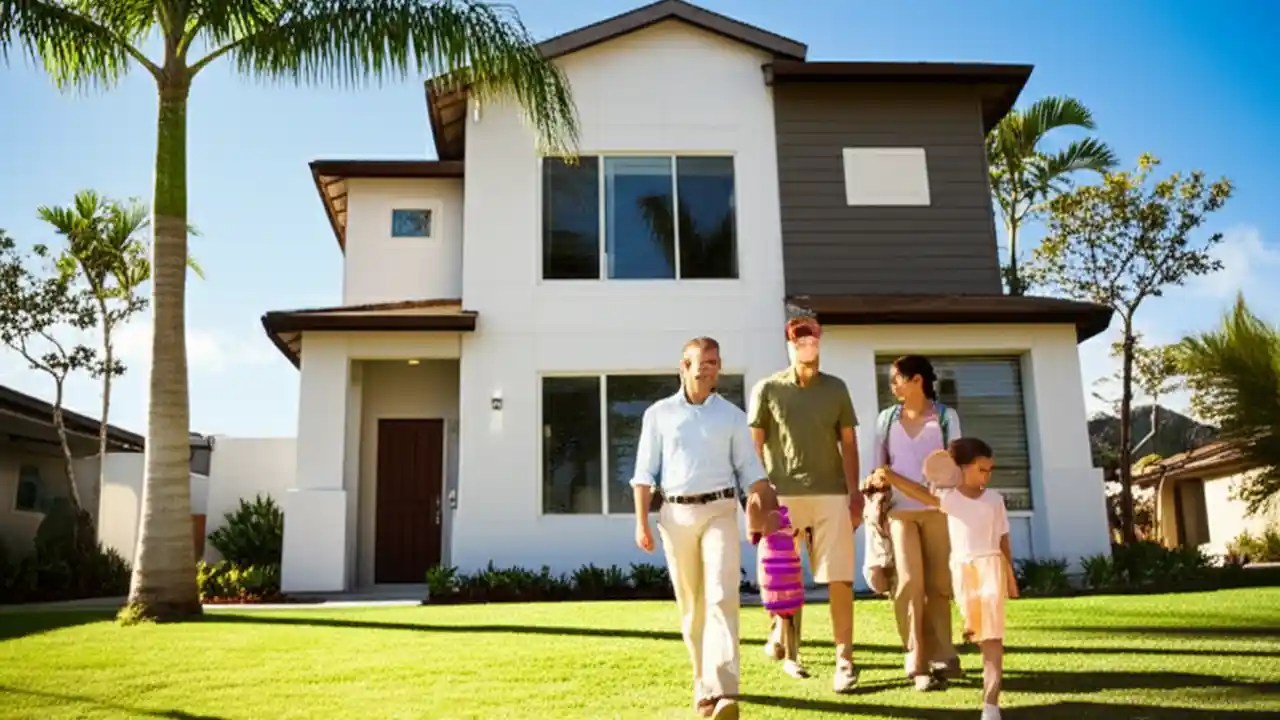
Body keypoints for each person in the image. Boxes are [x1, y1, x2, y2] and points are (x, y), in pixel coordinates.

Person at [632, 336, 781, 720]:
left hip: (719, 510)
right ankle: (703, 686)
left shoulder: (731, 416)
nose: (708, 367)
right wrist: (641, 523)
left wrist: (769, 510)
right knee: (692, 608)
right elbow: (644, 473)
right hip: (675, 516)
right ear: (683, 366)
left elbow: (751, 470)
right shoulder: (659, 414)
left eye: (714, 362)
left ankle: (725, 692)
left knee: (721, 596)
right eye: (701, 361)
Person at [748, 315, 862, 693]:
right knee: (786, 578)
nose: (806, 345)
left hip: (831, 494)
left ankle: (844, 659)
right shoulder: (767, 389)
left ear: (820, 342)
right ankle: (791, 654)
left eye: (811, 338)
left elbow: (848, 443)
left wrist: (855, 493)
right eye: (799, 340)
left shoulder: (836, 389)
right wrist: (760, 498)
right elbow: (756, 445)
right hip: (784, 495)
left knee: (840, 577)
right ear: (789, 345)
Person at [869, 437, 1018, 720]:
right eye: (981, 469)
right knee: (977, 633)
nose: (987, 475)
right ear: (961, 469)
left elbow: (1003, 539)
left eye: (990, 470)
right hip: (963, 573)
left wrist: (1009, 574)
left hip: (990, 570)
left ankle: (991, 703)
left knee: (992, 638)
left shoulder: (995, 500)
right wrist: (888, 474)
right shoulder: (950, 500)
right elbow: (915, 490)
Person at [874, 355, 964, 690]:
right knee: (910, 581)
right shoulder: (885, 419)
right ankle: (916, 655)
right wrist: (876, 484)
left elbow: (956, 465)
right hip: (900, 511)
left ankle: (944, 654)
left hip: (938, 511)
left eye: (897, 378)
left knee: (939, 584)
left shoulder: (945, 417)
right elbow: (878, 466)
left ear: (917, 381)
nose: (892, 384)